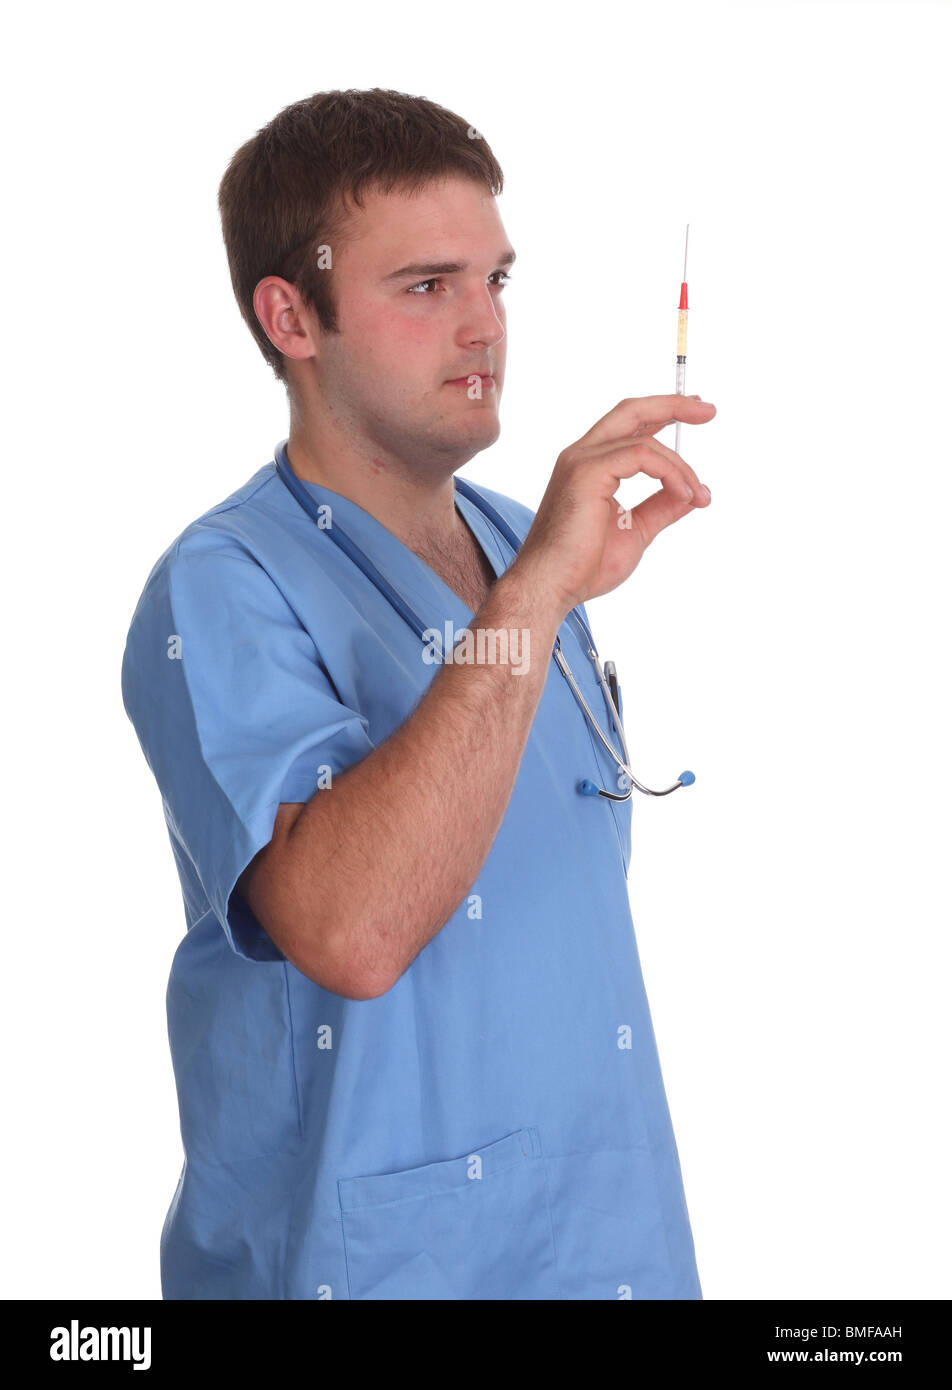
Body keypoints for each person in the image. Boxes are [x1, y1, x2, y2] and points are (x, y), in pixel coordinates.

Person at [120, 87, 715, 1301]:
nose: (483, 328)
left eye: (498, 281)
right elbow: (353, 932)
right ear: (292, 315)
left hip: (612, 1245)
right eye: (426, 286)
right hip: (381, 1265)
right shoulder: (223, 584)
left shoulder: (521, 548)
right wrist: (533, 596)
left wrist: (535, 584)